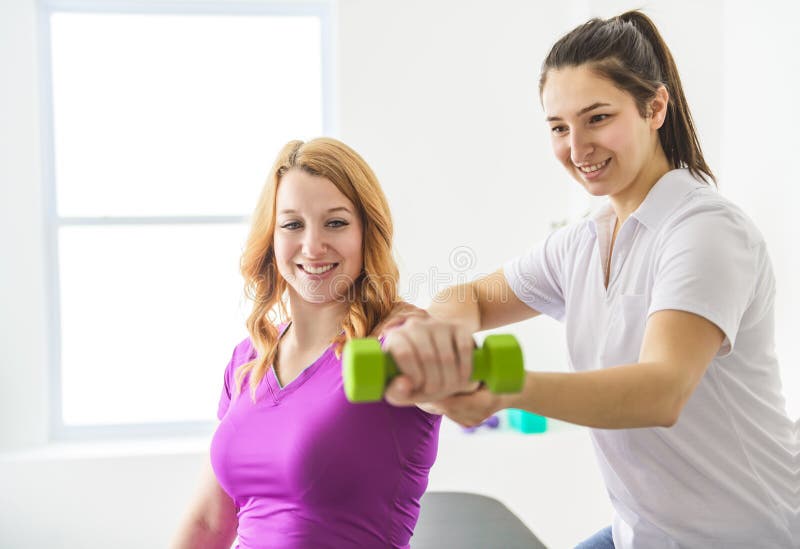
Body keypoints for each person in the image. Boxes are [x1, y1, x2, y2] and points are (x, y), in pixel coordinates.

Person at [380, 11, 799, 549]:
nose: (577, 150)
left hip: (749, 537)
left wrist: (506, 389)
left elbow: (661, 391)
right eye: (559, 128)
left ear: (655, 107)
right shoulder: (583, 242)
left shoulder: (705, 232)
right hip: (642, 536)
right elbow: (472, 296)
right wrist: (438, 337)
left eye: (597, 118)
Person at [171, 138, 441, 549]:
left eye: (335, 223)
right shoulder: (248, 359)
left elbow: (450, 387)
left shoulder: (396, 342)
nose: (313, 247)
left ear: (367, 231)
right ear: (271, 236)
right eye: (293, 225)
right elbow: (209, 523)